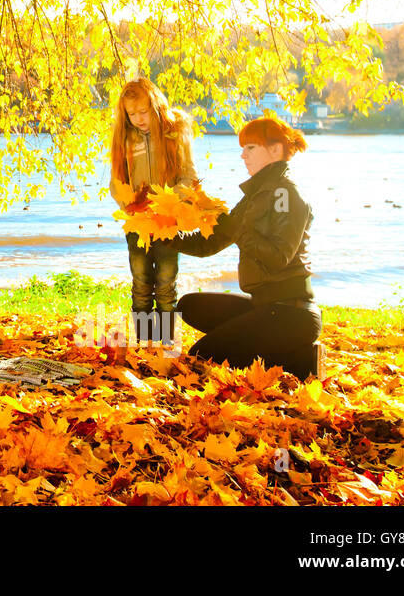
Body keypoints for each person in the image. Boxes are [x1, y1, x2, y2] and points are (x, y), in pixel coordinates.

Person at [170, 115, 323, 379]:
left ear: (275, 150)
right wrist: (166, 237)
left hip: (291, 313)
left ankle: (294, 355)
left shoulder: (285, 194)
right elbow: (211, 243)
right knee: (189, 305)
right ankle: (285, 354)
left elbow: (278, 257)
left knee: (200, 358)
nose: (243, 155)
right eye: (242, 148)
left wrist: (240, 230)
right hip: (264, 306)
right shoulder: (254, 195)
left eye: (250, 148)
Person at [109, 78, 197, 345]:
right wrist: (130, 208)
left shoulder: (174, 131)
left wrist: (169, 203)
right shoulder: (124, 137)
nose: (138, 119)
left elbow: (188, 175)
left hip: (168, 220)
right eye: (132, 114)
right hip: (138, 223)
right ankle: (146, 341)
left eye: (143, 111)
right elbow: (116, 183)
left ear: (156, 105)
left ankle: (167, 343)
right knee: (141, 283)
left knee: (166, 282)